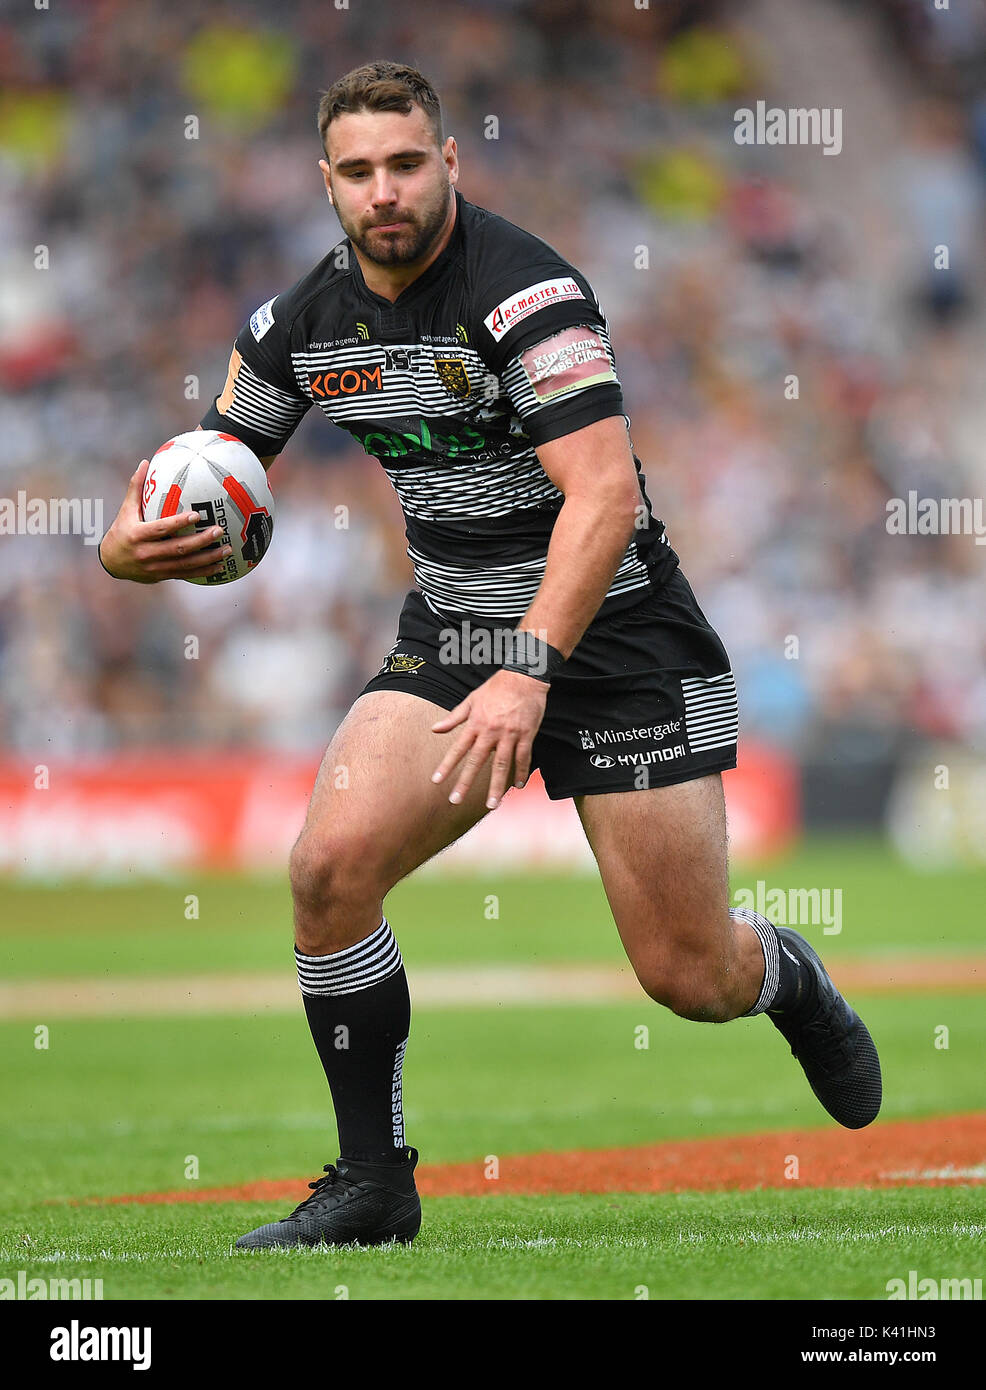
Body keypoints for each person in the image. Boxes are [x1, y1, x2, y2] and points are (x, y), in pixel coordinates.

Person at [98, 60, 881, 1251]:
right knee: (326, 871)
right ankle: (374, 1185)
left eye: (406, 164)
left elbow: (604, 495)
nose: (385, 192)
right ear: (326, 184)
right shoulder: (297, 325)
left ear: (449, 162)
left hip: (614, 639)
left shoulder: (529, 295)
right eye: (357, 173)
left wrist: (530, 665)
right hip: (456, 634)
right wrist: (124, 545)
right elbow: (213, 463)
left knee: (684, 975)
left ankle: (784, 975)